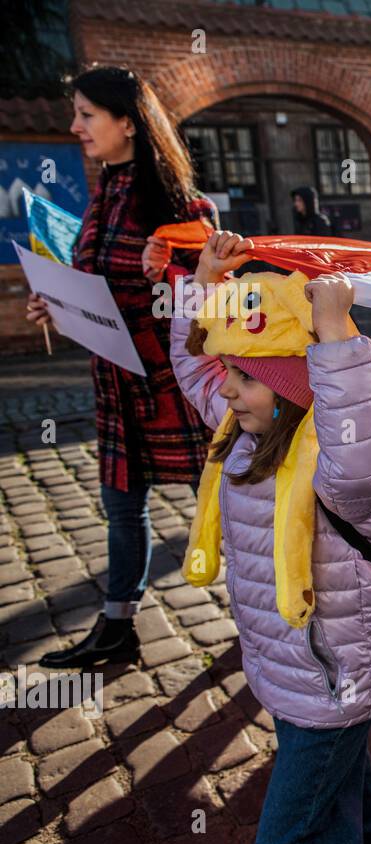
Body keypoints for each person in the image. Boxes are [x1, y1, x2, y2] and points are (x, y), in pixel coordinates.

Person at [171, 230, 371, 844]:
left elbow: (355, 427)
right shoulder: (242, 433)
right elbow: (196, 365)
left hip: (333, 680)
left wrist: (335, 335)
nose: (225, 389)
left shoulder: (344, 462)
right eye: (229, 373)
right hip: (292, 672)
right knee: (350, 802)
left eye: (246, 377)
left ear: (296, 386)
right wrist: (207, 286)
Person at [27, 66, 218, 669]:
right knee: (121, 509)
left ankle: (271, 620)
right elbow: (96, 282)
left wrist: (161, 278)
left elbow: (212, 302)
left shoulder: (183, 207)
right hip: (115, 385)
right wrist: (56, 304)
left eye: (86, 114)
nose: (75, 125)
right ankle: (117, 630)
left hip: (177, 388)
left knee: (221, 508)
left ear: (128, 123)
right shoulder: (101, 196)